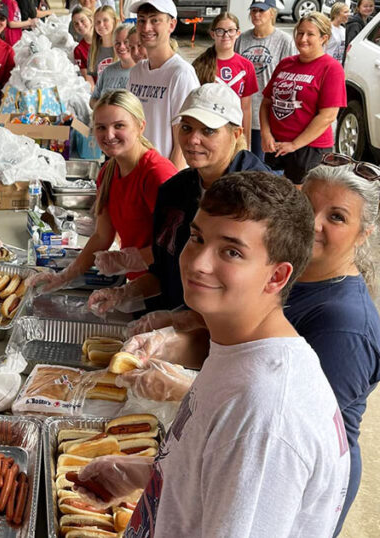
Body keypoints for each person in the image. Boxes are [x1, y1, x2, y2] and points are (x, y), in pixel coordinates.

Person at [118, 171, 349, 536]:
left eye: (231, 251)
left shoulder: (266, 414)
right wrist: (137, 474)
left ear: (276, 277)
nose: (197, 262)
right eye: (196, 238)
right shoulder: (238, 351)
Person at [88, 83, 270, 315]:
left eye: (208, 131)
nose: (193, 139)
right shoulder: (174, 191)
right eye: (186, 127)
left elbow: (252, 293)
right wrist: (124, 294)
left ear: (236, 134)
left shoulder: (260, 197)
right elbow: (162, 272)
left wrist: (182, 324)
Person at [287, 159, 380, 534]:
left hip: (306, 485)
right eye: (308, 207)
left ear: (364, 233)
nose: (313, 224)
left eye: (337, 217)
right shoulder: (294, 273)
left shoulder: (344, 323)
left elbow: (309, 433)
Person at [26, 90, 176, 293]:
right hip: (136, 284)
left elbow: (175, 247)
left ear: (141, 126)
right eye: (101, 127)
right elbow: (102, 236)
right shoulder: (108, 171)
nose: (109, 135)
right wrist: (65, 276)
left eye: (119, 126)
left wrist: (131, 260)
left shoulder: (157, 174)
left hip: (163, 287)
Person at [260, 12, 346, 184]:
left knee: (298, 202)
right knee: (273, 199)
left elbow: (327, 116)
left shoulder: (331, 68)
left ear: (324, 38)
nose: (303, 38)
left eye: (310, 34)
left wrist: (294, 145)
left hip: (309, 149)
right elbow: (266, 103)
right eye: (300, 33)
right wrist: (266, 133)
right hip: (276, 145)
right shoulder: (286, 63)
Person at [126, 0, 199, 170]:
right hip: (139, 170)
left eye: (155, 20)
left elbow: (183, 142)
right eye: (141, 20)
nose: (146, 28)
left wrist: (169, 185)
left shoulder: (181, 74)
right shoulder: (137, 72)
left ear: (171, 24)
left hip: (164, 176)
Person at [235, 0, 297, 160]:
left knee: (266, 168)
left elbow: (290, 78)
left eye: (261, 11)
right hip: (244, 111)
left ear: (272, 13)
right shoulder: (242, 39)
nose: (256, 14)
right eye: (253, 10)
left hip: (269, 115)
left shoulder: (284, 40)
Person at [192, 12, 258, 144]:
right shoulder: (200, 64)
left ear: (238, 33)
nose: (226, 35)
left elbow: (246, 108)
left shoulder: (246, 66)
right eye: (220, 31)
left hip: (234, 130)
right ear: (213, 34)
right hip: (209, 130)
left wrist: (246, 140)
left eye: (231, 31)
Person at [90, 23, 136, 108]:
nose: (121, 47)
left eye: (126, 42)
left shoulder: (142, 71)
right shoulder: (107, 71)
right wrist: (104, 109)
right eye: (117, 43)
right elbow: (93, 99)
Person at [86, 6, 119, 85]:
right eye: (97, 22)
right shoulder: (93, 49)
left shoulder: (124, 47)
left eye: (105, 20)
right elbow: (90, 75)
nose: (101, 25)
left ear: (114, 21)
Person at [72, 7, 95, 73]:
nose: (80, 25)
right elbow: (87, 76)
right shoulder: (78, 50)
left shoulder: (107, 41)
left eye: (82, 20)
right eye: (76, 24)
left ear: (91, 20)